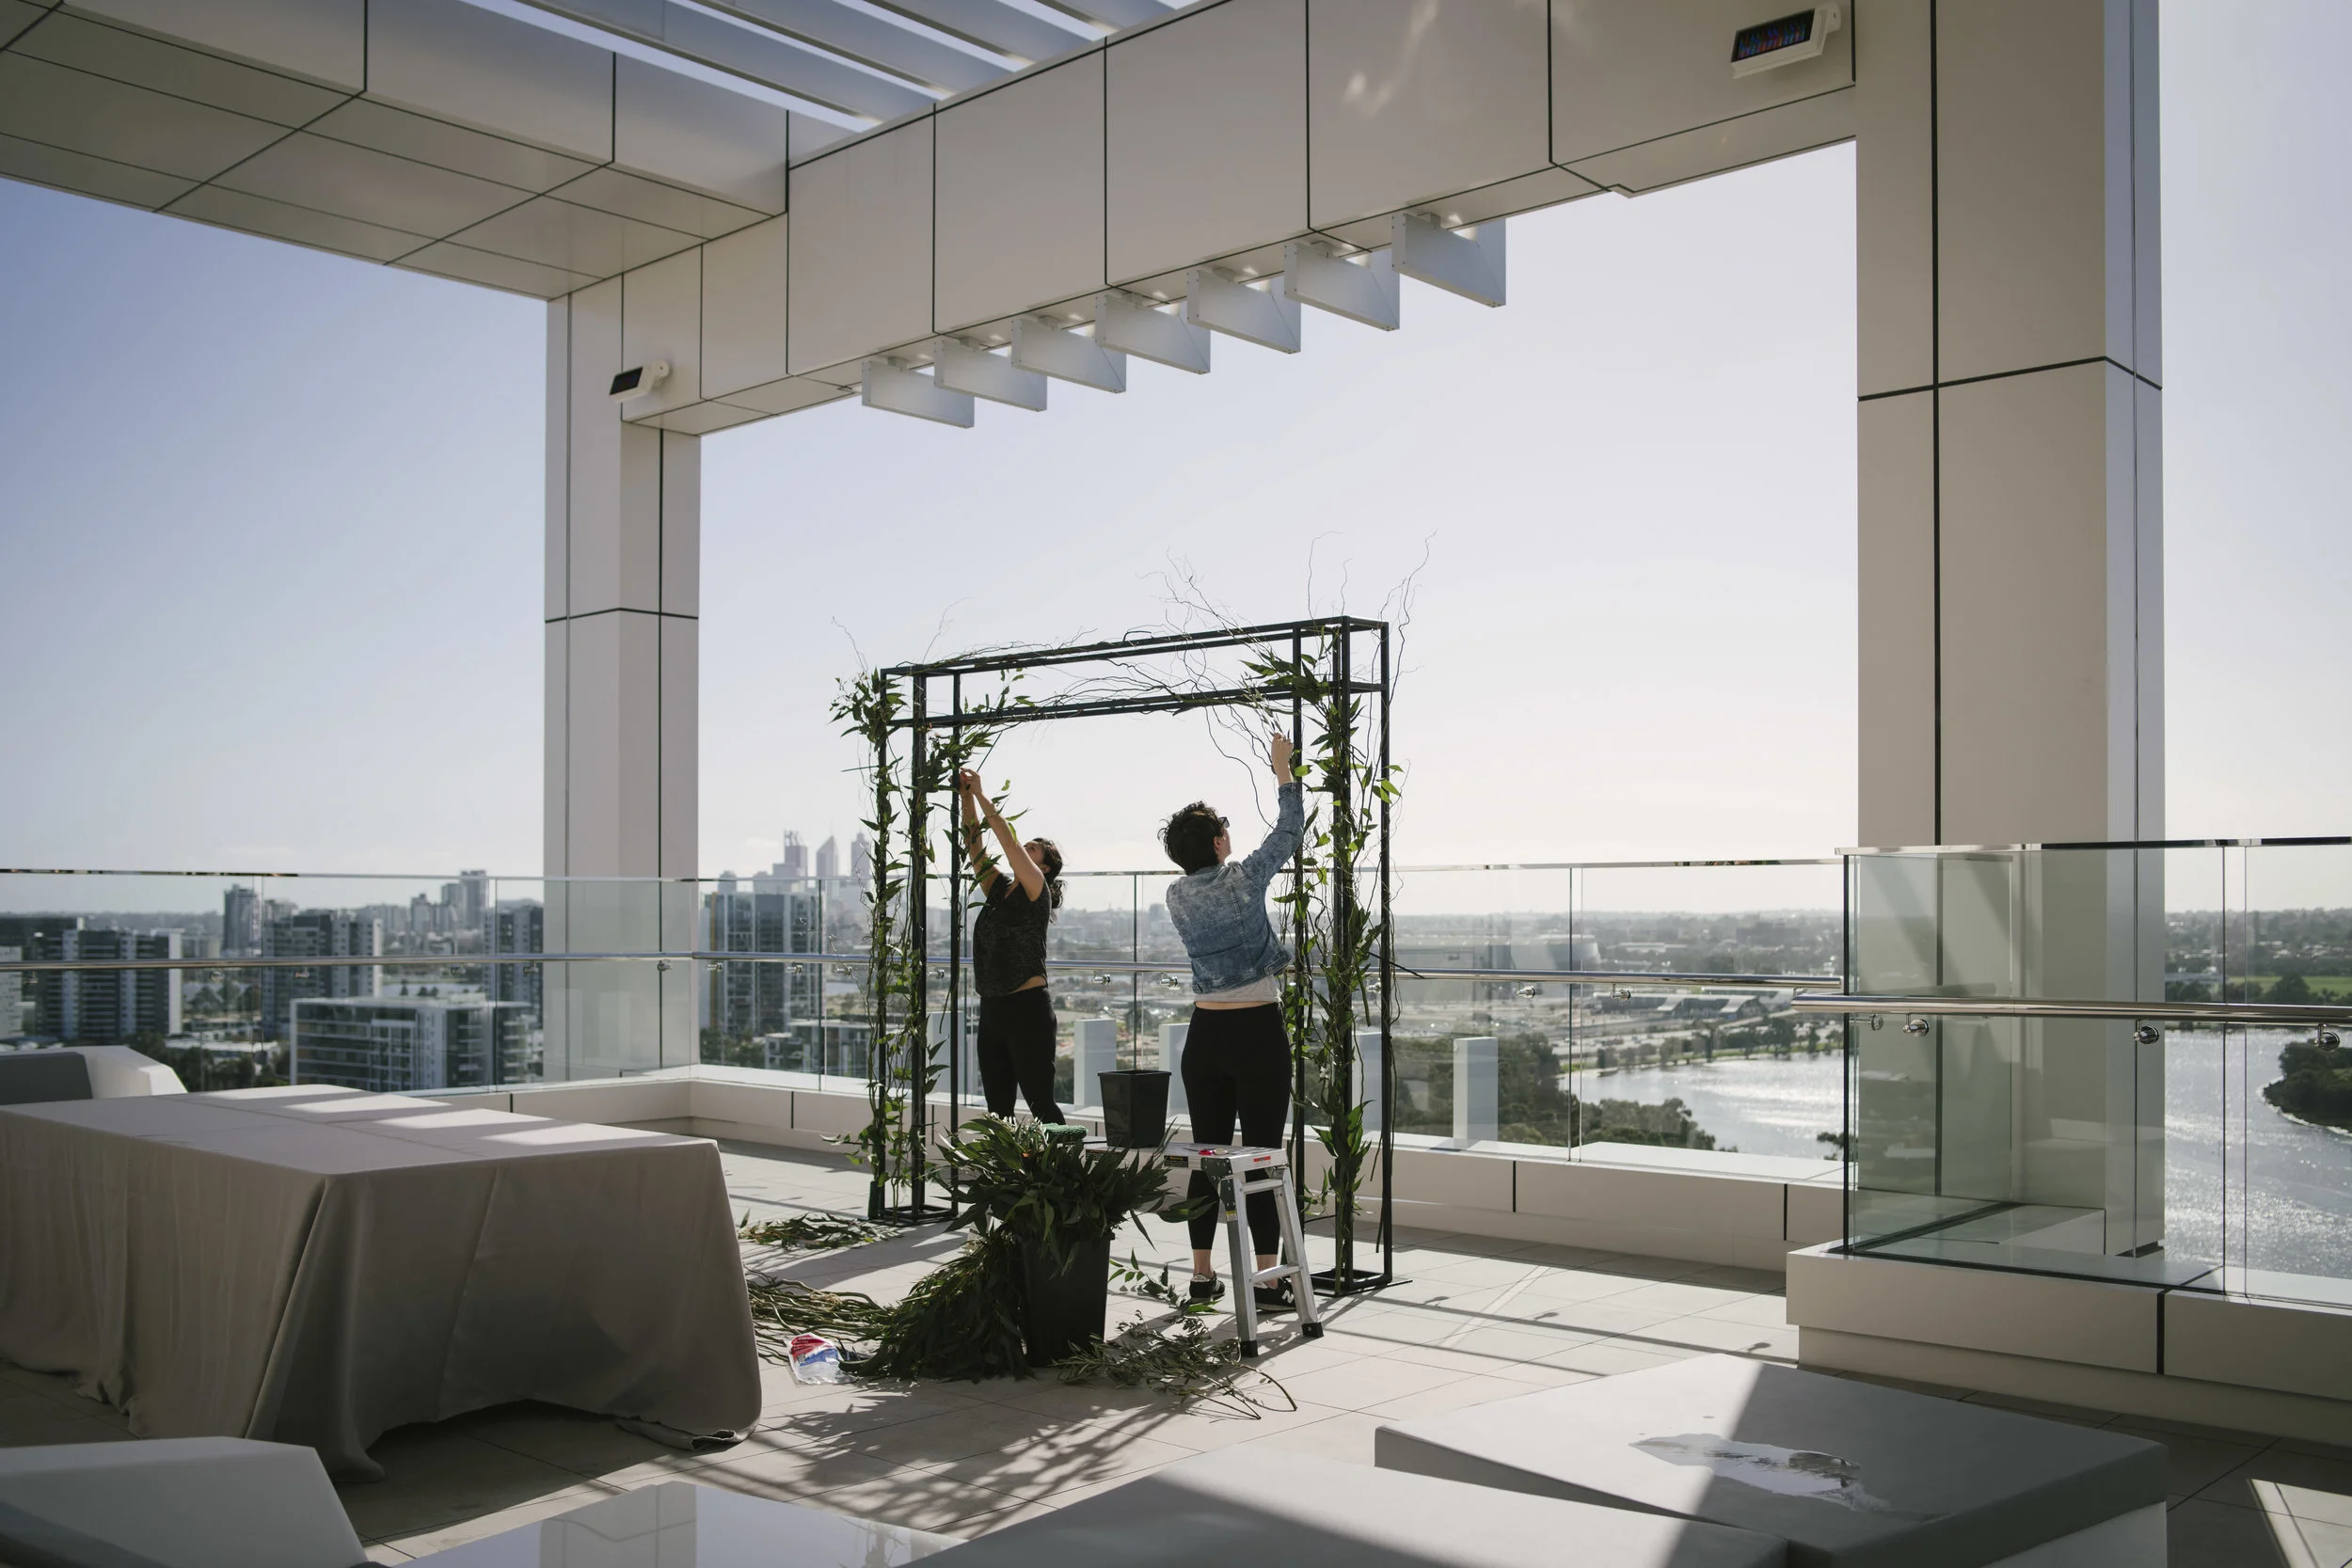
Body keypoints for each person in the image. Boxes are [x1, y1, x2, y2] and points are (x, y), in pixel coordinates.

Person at [1160, 732, 1303, 1312]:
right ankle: (1268, 1281)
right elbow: (1289, 833)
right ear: (1220, 841)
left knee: (1208, 1157)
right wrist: (1282, 770)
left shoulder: (1175, 895)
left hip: (1205, 1035)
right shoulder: (1241, 878)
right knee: (1263, 1155)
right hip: (1255, 1032)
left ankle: (1201, 1277)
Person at [959, 768, 1066, 1126]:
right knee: (998, 1111)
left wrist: (983, 793)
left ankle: (1067, 1177)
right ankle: (1005, 1180)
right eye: (1029, 843)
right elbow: (974, 844)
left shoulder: (1038, 888)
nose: (1029, 845)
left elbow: (1008, 843)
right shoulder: (999, 889)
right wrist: (965, 798)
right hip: (992, 1009)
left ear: (1046, 867)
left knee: (1041, 1106)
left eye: (1036, 847)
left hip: (1027, 1011)